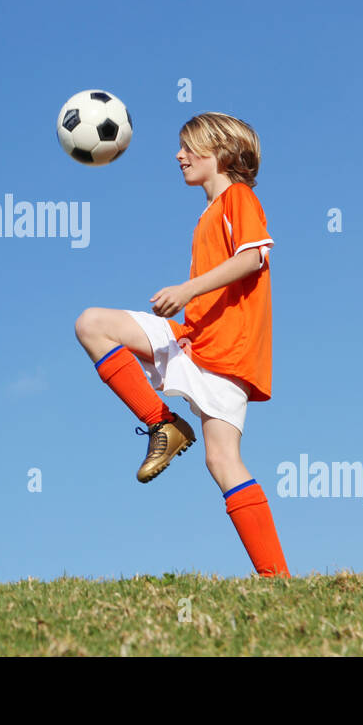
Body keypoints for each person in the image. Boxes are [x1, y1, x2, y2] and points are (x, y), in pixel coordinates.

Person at [73, 112, 290, 578]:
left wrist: (188, 290)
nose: (179, 156)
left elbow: (252, 258)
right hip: (192, 341)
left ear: (225, 153)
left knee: (223, 460)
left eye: (190, 148)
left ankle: (278, 581)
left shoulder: (239, 197)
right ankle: (163, 425)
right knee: (92, 324)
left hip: (228, 351)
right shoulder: (208, 213)